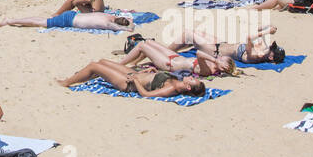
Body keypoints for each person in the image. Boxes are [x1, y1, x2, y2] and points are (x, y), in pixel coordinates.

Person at [55, 59, 207, 98]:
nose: (192, 77)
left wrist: (134, 81)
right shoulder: (177, 81)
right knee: (102, 62)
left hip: (128, 83)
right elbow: (158, 79)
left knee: (94, 66)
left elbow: (146, 95)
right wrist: (153, 71)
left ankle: (66, 82)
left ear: (188, 87)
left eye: (193, 80)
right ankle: (81, 76)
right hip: (135, 74)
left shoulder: (172, 88)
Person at [0, 11, 136, 31]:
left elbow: (128, 18)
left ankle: (11, 20)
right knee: (40, 22)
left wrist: (130, 20)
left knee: (42, 20)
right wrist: (129, 27)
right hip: (68, 21)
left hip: (72, 14)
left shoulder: (109, 16)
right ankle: (10, 21)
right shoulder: (107, 24)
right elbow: (123, 29)